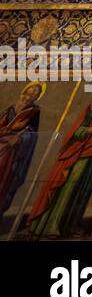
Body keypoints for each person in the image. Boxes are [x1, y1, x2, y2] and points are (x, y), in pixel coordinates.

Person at [26, 82, 92, 238]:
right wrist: (88, 130)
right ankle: (52, 224)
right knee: (69, 187)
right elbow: (75, 129)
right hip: (79, 151)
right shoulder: (91, 107)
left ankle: (69, 225)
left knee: (83, 189)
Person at [0, 82, 43, 215]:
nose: (30, 96)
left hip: (12, 151)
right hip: (2, 142)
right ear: (24, 93)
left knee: (5, 179)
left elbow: (32, 134)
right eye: (30, 92)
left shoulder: (33, 112)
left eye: (35, 94)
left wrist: (19, 138)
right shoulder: (11, 109)